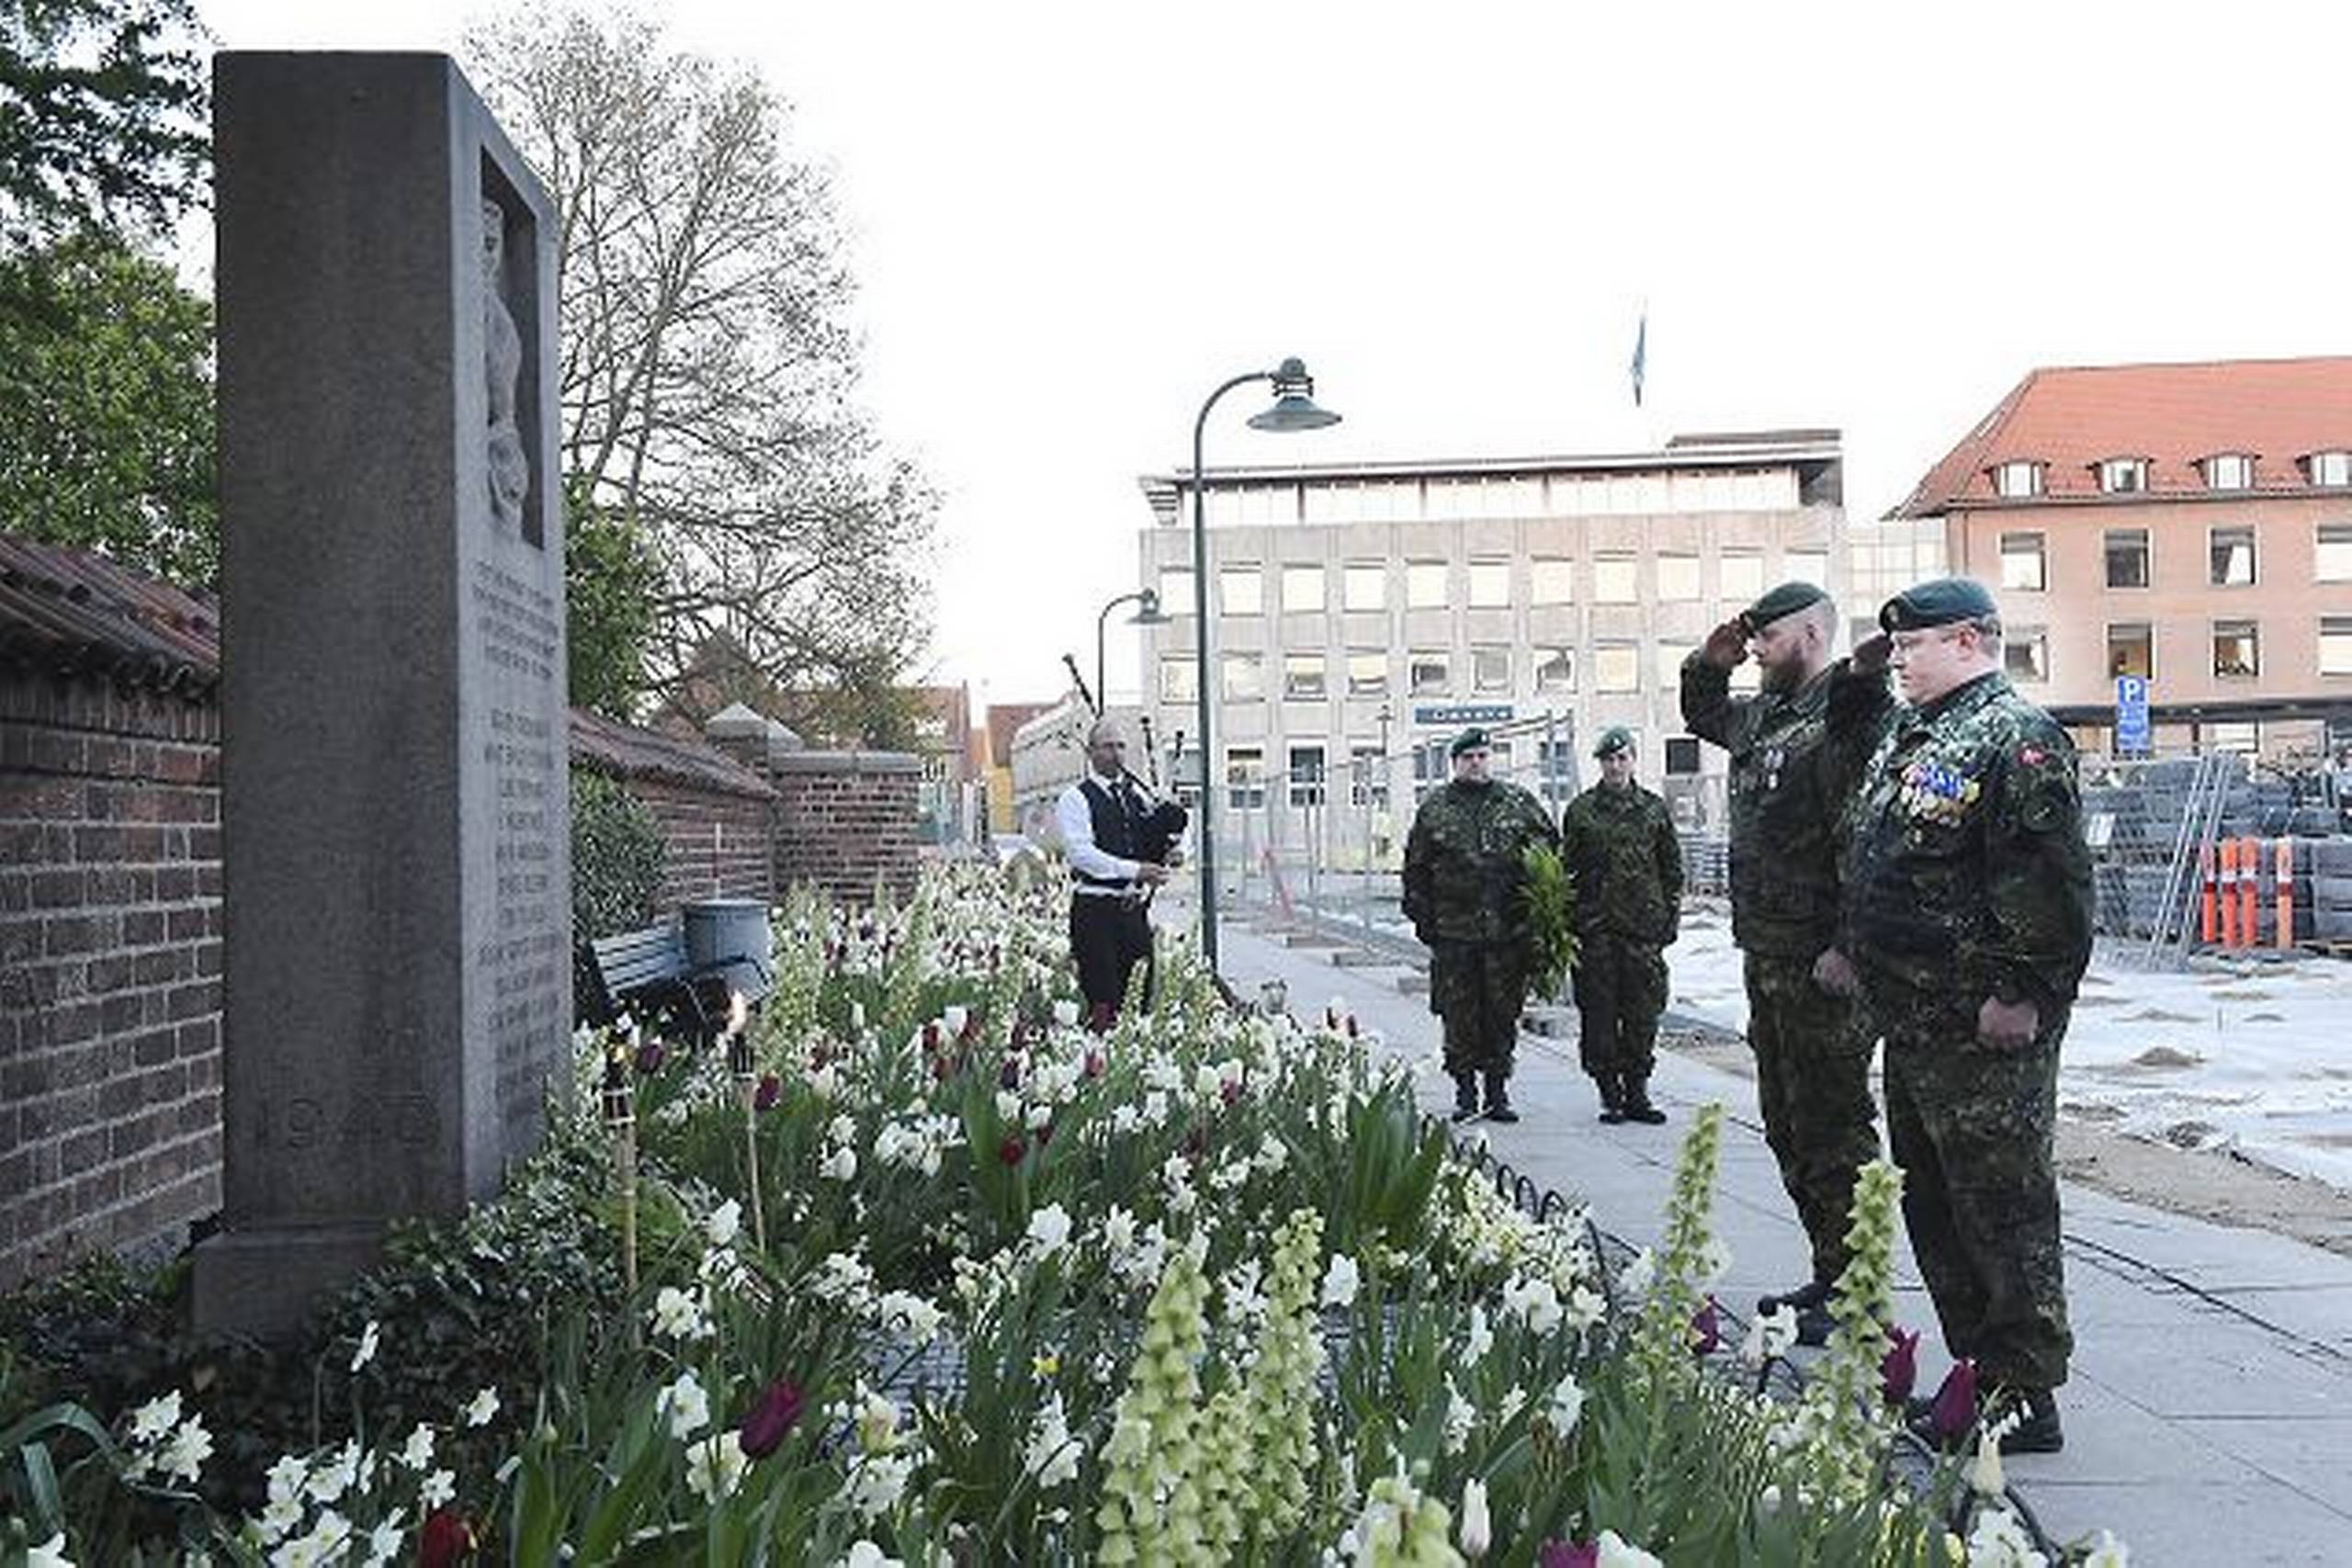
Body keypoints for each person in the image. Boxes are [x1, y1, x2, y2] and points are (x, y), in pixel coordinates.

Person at [1837, 578, 2092, 1455]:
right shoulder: (1915, 734)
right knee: (1939, 1204)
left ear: (1972, 640)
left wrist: (2022, 992)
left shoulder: (2015, 738)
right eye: (1897, 646)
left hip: (1983, 1024)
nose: (1900, 659)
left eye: (1914, 644)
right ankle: (1978, 1375)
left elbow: (2051, 884)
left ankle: (2025, 1391)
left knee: (2003, 1205)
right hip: (1916, 1021)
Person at [1682, 581, 1884, 1345]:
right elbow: (1705, 713)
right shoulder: (1765, 715)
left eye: (1768, 637)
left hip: (1822, 960)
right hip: (1767, 954)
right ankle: (1831, 1272)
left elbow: (1865, 837)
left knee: (1836, 1128)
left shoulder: (1846, 711)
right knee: (1789, 1125)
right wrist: (1711, 662)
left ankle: (1860, 1290)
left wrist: (1849, 945)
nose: (1759, 649)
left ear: (1811, 633)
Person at [1402, 727, 1559, 1123]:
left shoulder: (1518, 803)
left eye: (1482, 756)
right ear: (1455, 762)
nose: (1476, 763)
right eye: (1468, 757)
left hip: (1507, 934)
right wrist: (1426, 923)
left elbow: (1550, 856)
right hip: (1455, 935)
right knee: (1459, 1015)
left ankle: (1497, 1092)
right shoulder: (1436, 809)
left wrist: (1539, 917)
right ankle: (1465, 1092)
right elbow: (1416, 870)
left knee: (1502, 1014)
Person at [1558, 727, 1683, 1125]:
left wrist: (1669, 919)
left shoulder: (1653, 809)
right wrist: (1568, 925)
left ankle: (1638, 1092)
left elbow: (1671, 867)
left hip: (1642, 932)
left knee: (1643, 1014)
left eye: (1621, 758)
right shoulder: (1581, 811)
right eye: (1608, 760)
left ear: (1633, 760)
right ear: (1600, 763)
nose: (1615, 766)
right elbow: (1566, 872)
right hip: (1595, 930)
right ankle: (1609, 1093)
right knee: (1599, 1015)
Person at [1055, 717, 1175, 1029]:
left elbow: (1149, 843)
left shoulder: (1135, 798)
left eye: (1121, 746)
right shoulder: (1075, 799)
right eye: (1108, 747)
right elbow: (1081, 854)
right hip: (1095, 912)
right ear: (1091, 752)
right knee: (1103, 1003)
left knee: (1139, 1000)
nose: (1116, 754)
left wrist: (1170, 852)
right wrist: (1135, 870)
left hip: (1132, 911)